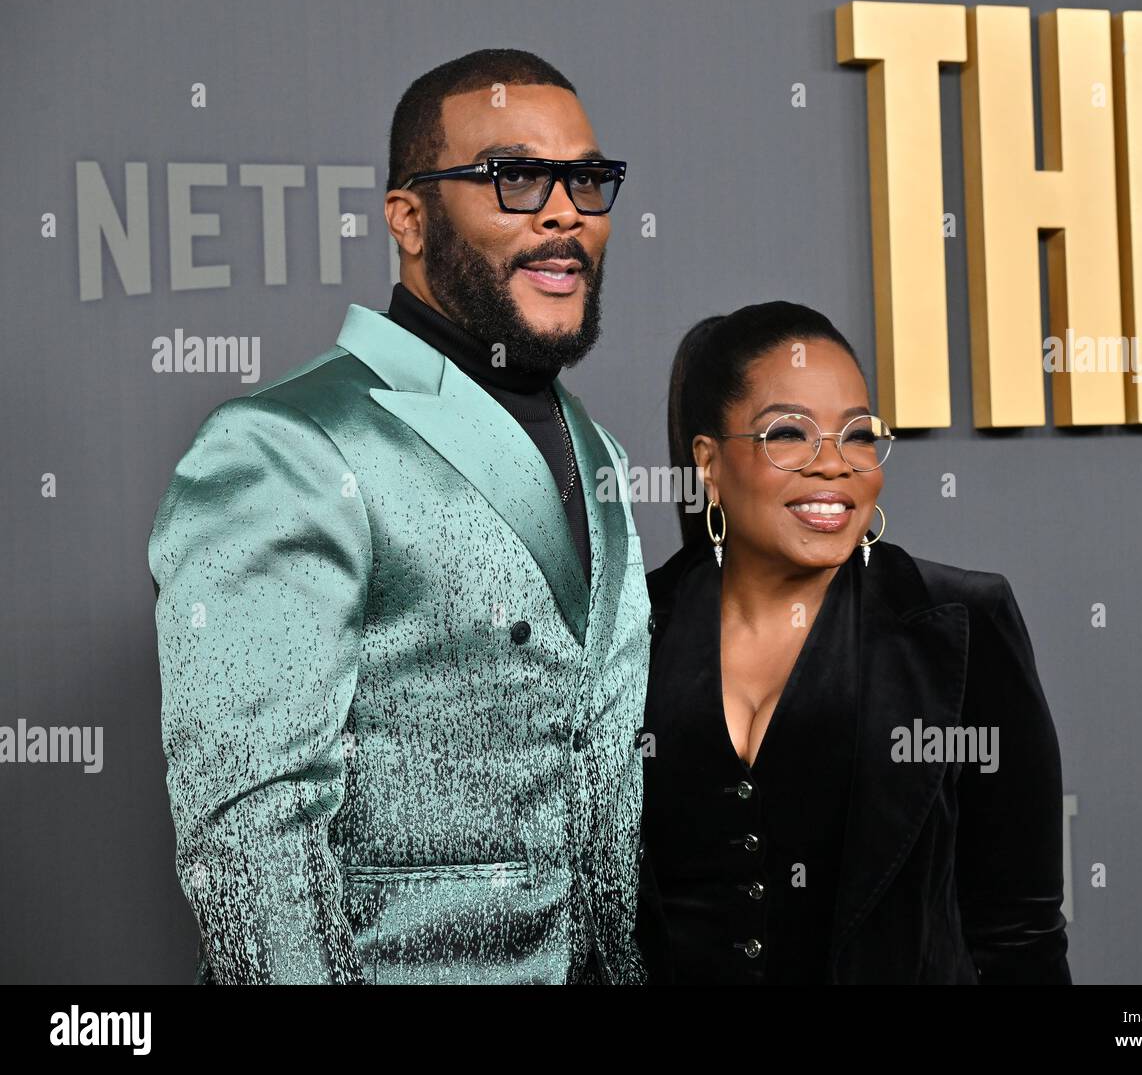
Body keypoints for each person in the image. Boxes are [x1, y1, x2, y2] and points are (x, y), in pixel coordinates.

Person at [147, 48, 651, 984]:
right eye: (514, 177)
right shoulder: (284, 446)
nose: (563, 212)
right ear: (409, 219)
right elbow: (249, 841)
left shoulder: (604, 454)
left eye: (586, 179)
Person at [634, 302, 1071, 984]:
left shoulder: (964, 626)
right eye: (789, 433)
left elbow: (1020, 936)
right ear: (709, 463)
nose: (835, 465)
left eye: (859, 436)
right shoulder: (629, 630)